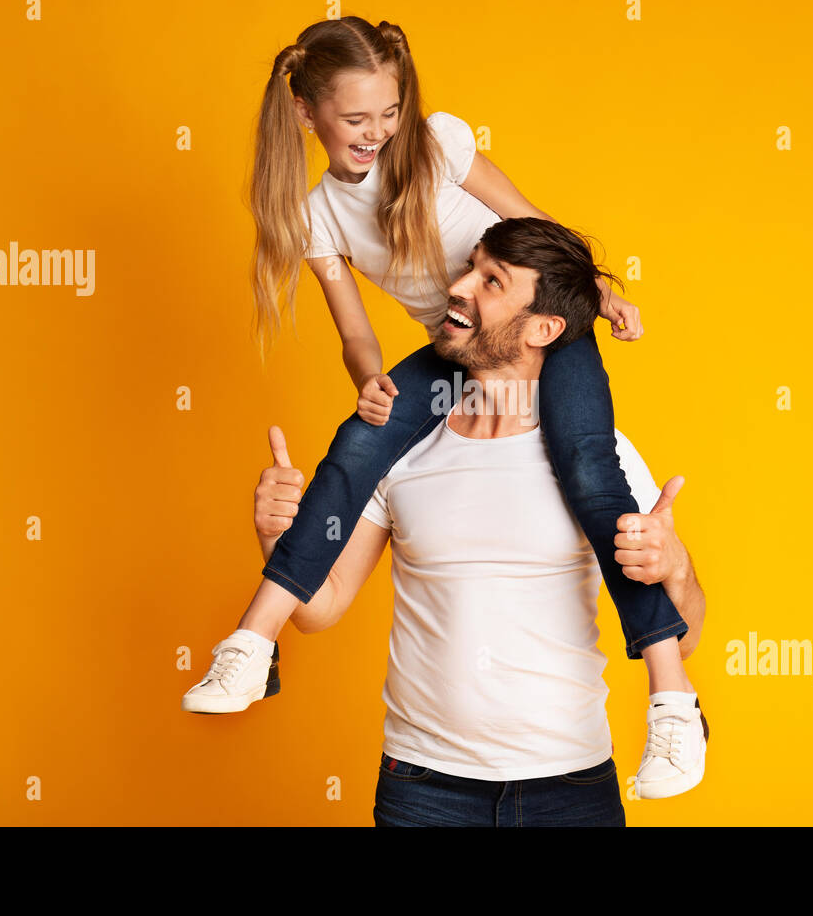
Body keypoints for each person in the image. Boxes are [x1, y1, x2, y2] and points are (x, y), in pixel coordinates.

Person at [181, 16, 701, 796]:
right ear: (306, 113)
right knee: (354, 451)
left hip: (541, 329)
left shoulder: (437, 145)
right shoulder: (318, 216)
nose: (378, 134)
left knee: (594, 477)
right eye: (358, 120)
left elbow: (530, 223)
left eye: (388, 115)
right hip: (457, 345)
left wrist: (593, 288)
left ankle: (672, 705)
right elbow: (356, 332)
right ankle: (251, 645)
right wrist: (369, 384)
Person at [278, 218, 709, 823]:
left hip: (571, 786)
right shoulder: (398, 447)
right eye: (469, 268)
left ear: (543, 329)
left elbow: (682, 636)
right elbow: (318, 608)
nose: (458, 287)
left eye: (491, 281)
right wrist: (278, 534)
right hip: (422, 788)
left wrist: (675, 567)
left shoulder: (601, 456)